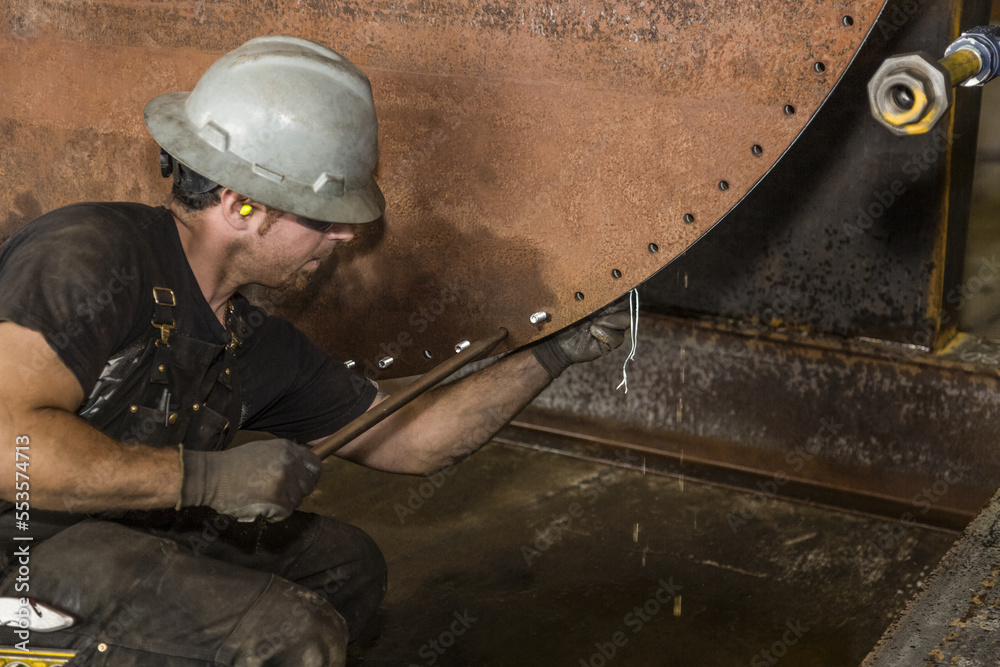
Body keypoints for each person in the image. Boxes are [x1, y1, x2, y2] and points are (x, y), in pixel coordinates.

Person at [0, 36, 630, 666]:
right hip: (18, 553)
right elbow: (11, 446)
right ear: (240, 205)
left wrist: (552, 354)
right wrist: (206, 479)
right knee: (290, 639)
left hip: (112, 528)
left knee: (344, 569)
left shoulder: (248, 340)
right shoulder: (87, 256)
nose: (347, 234)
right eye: (322, 216)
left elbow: (412, 439)